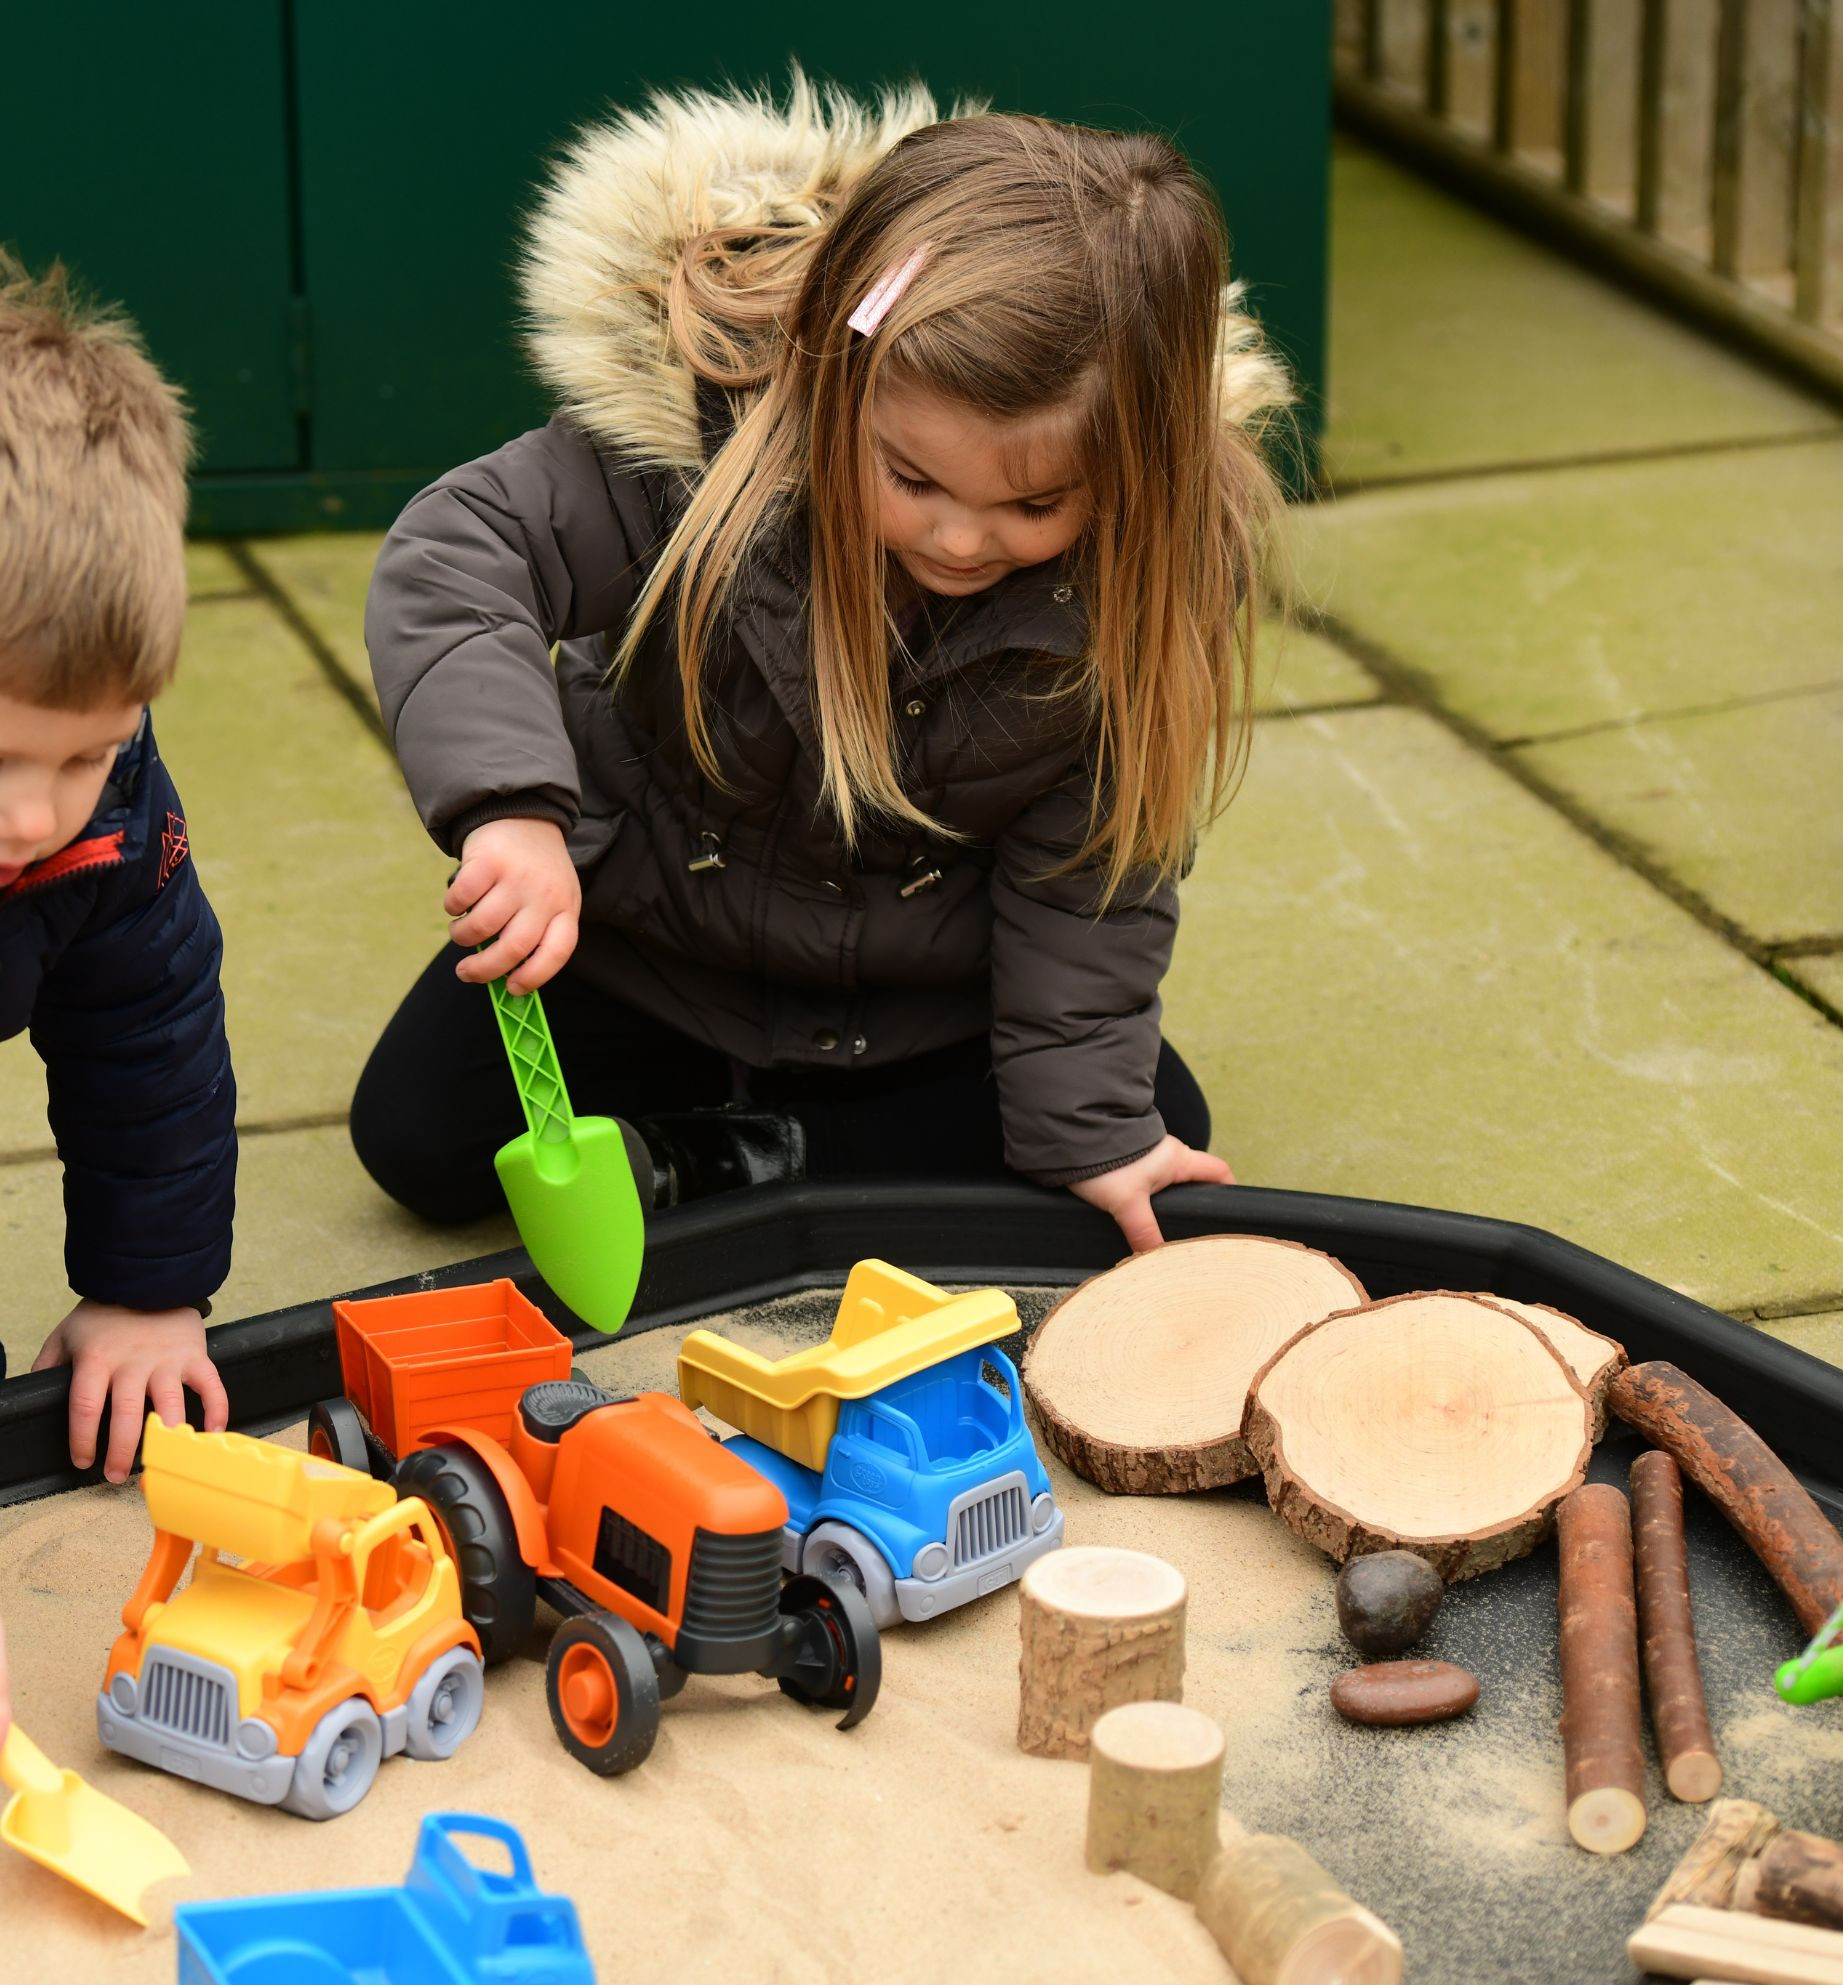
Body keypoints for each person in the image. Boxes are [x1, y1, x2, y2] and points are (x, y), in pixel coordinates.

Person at [353, 77, 1291, 1255]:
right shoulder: (695, 455)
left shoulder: (1136, 588)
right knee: (416, 1133)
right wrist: (510, 810)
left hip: (913, 1006)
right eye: (913, 479)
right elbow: (459, 554)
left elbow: (1086, 879)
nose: (961, 538)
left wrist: (1090, 1129)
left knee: (1129, 1133)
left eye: (1033, 503)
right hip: (649, 944)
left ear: (1133, 467)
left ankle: (737, 1158)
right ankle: (813, 1155)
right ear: (835, 378)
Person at [0, 256, 233, 1521]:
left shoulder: (115, 819)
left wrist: (146, 1290)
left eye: (84, 752)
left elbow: (149, 1044)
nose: (34, 818)